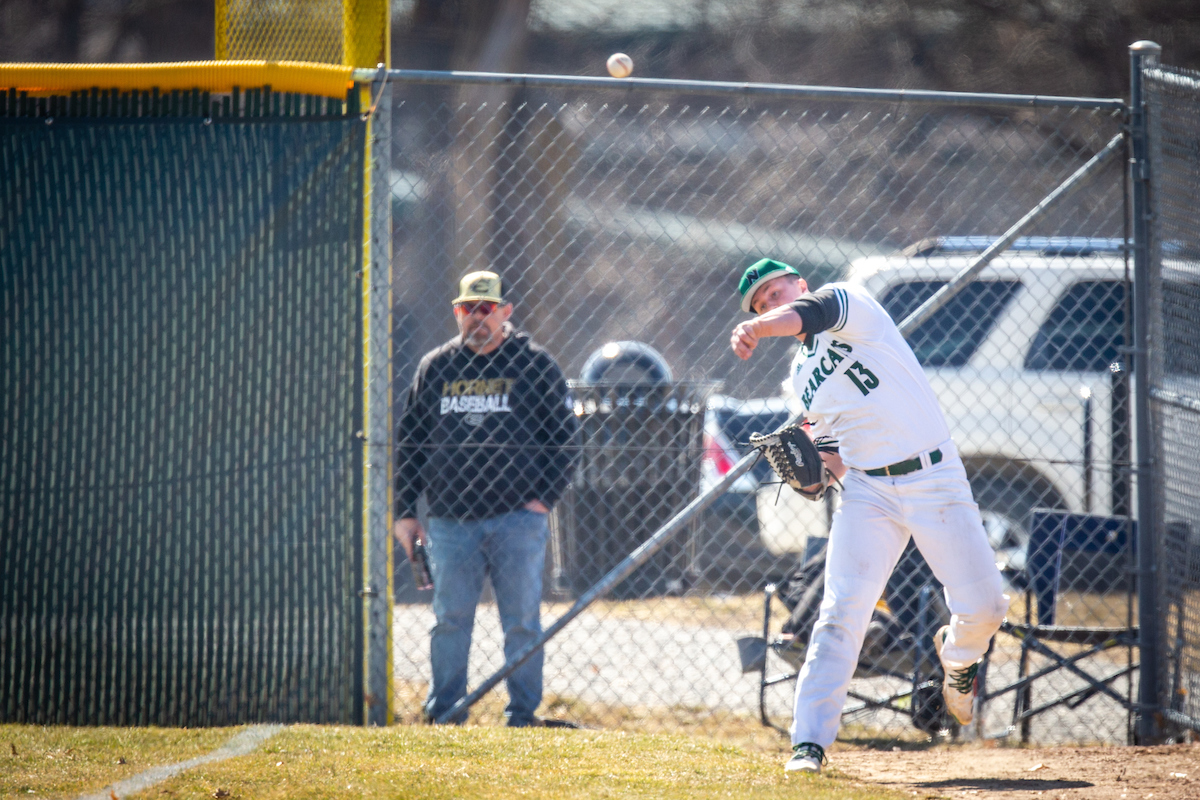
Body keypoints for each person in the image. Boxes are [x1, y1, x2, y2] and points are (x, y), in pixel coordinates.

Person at [729, 258, 1008, 772]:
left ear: (799, 285)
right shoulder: (801, 375)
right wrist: (813, 476)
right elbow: (831, 449)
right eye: (760, 302)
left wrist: (757, 327)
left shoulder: (849, 304)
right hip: (868, 491)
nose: (770, 302)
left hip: (933, 476)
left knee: (988, 607)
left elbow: (808, 314)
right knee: (840, 612)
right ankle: (807, 745)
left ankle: (959, 655)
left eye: (775, 290)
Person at [394, 270, 578, 727]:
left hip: (518, 519)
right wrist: (403, 512)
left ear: (504, 312)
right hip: (451, 523)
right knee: (450, 622)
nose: (477, 318)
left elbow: (566, 440)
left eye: (486, 309)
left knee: (520, 622)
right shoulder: (436, 367)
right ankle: (445, 713)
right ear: (456, 312)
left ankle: (521, 714)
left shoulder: (534, 364)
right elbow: (410, 442)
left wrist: (544, 500)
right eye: (467, 309)